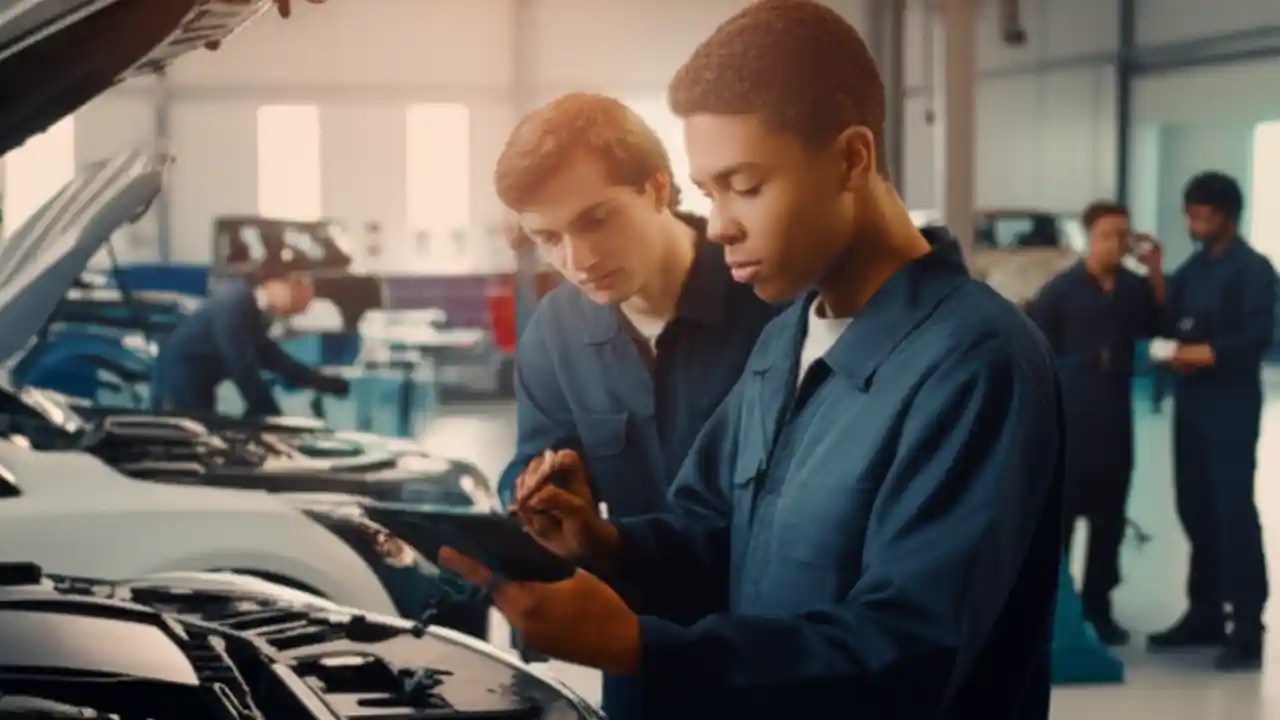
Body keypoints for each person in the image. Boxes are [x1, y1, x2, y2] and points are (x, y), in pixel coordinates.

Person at [442, 2, 1065, 717]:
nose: (720, 223)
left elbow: (913, 650)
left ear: (851, 158)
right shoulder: (789, 338)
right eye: (710, 191)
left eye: (747, 185)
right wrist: (605, 543)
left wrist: (644, 648)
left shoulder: (974, 361)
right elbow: (712, 532)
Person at [493, 92, 778, 719]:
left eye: (596, 219)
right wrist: (535, 495)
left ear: (656, 187)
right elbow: (528, 459)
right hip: (636, 649)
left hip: (774, 651)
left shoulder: (772, 302)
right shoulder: (555, 332)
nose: (578, 259)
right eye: (547, 237)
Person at [1147, 171, 1275, 671]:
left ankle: (1247, 626)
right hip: (1192, 406)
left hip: (1230, 408)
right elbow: (1170, 321)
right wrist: (1157, 274)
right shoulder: (1193, 270)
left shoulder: (1255, 270)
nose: (1193, 223)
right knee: (1194, 507)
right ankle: (1203, 613)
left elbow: (1256, 339)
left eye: (1202, 214)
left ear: (1227, 216)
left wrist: (1203, 353)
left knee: (1232, 512)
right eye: (1190, 213)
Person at [1028, 201, 1165, 646]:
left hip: (1115, 423)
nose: (1116, 244)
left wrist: (1156, 269)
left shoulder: (1133, 289)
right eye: (1107, 235)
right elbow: (1037, 354)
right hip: (1071, 423)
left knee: (1109, 520)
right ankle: (1057, 612)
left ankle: (1100, 608)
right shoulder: (1061, 292)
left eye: (1123, 235)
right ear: (1090, 237)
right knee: (1061, 523)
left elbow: (1161, 324)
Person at [153, 267, 349, 418]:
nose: (300, 310)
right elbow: (240, 361)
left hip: (195, 385)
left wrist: (320, 382)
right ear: (279, 285)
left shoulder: (250, 310)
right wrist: (266, 409)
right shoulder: (233, 301)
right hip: (178, 385)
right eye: (300, 301)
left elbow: (272, 358)